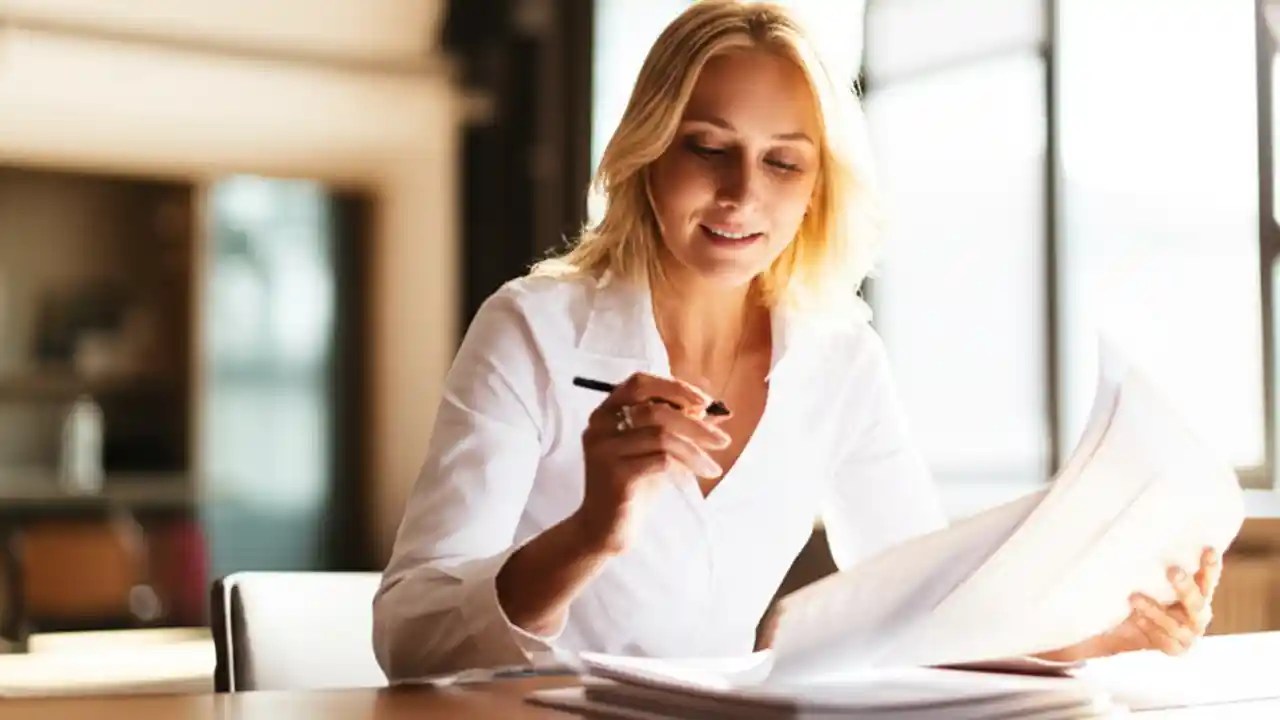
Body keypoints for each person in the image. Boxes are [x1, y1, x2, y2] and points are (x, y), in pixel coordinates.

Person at [373, 0, 1220, 679]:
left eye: (783, 163)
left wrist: (1099, 635)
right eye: (708, 149)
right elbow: (407, 636)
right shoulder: (533, 327)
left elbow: (922, 610)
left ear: (819, 186)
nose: (743, 194)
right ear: (648, 154)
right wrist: (592, 531)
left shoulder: (839, 357)